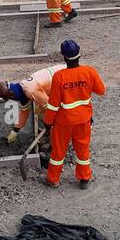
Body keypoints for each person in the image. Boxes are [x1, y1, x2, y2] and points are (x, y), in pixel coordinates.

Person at [42, 39, 106, 189]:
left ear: (64, 57)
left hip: (64, 121)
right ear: (79, 54)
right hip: (84, 119)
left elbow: (53, 104)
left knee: (58, 150)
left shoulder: (59, 76)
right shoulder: (89, 72)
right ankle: (84, 178)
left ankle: (53, 179)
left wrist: (48, 121)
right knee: (82, 148)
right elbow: (101, 90)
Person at [0, 63, 65, 145]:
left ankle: (54, 146)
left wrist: (48, 125)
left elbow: (50, 109)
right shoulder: (20, 91)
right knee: (41, 112)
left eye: (8, 98)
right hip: (56, 80)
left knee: (54, 118)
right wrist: (15, 131)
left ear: (10, 95)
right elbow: (24, 112)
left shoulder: (30, 91)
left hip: (65, 76)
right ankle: (50, 134)